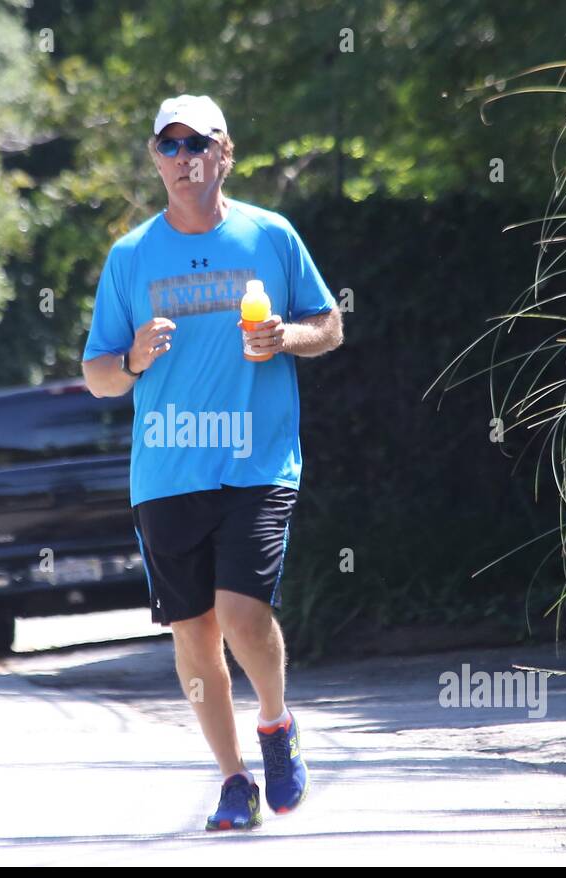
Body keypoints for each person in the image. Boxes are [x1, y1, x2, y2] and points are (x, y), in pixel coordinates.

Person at [81, 94, 344, 830]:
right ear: (155, 158)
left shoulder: (271, 235)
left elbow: (330, 325)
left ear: (225, 153)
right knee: (193, 632)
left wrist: (285, 338)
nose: (183, 158)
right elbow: (97, 372)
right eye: (169, 146)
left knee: (241, 615)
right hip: (166, 472)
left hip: (256, 462)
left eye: (198, 143)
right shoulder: (131, 256)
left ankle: (275, 722)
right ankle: (233, 782)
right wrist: (130, 358)